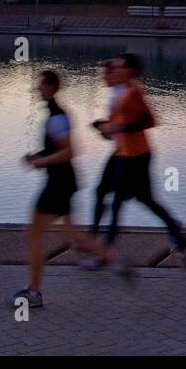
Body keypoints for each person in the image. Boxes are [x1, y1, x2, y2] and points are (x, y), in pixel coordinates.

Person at [8, 70, 119, 307]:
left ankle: (34, 292)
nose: (37, 89)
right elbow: (58, 149)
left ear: (50, 87)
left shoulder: (56, 117)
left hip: (58, 184)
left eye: (40, 85)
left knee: (34, 234)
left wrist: (40, 162)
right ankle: (116, 262)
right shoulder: (58, 113)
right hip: (67, 182)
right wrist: (38, 156)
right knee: (72, 235)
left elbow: (69, 151)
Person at [99, 52, 186, 266]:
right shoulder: (123, 92)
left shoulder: (134, 92)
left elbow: (150, 121)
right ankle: (179, 238)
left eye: (119, 67)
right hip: (128, 154)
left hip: (136, 156)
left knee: (117, 203)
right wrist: (105, 127)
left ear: (130, 71)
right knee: (145, 200)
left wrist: (119, 127)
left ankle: (105, 253)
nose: (115, 70)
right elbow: (118, 123)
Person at [79, 58, 125, 270]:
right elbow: (116, 129)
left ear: (115, 74)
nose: (103, 78)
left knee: (110, 198)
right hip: (122, 153)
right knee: (106, 195)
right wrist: (104, 128)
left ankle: (101, 250)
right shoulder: (116, 94)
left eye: (106, 74)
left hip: (126, 155)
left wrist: (105, 127)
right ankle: (97, 242)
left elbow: (124, 126)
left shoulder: (121, 94)